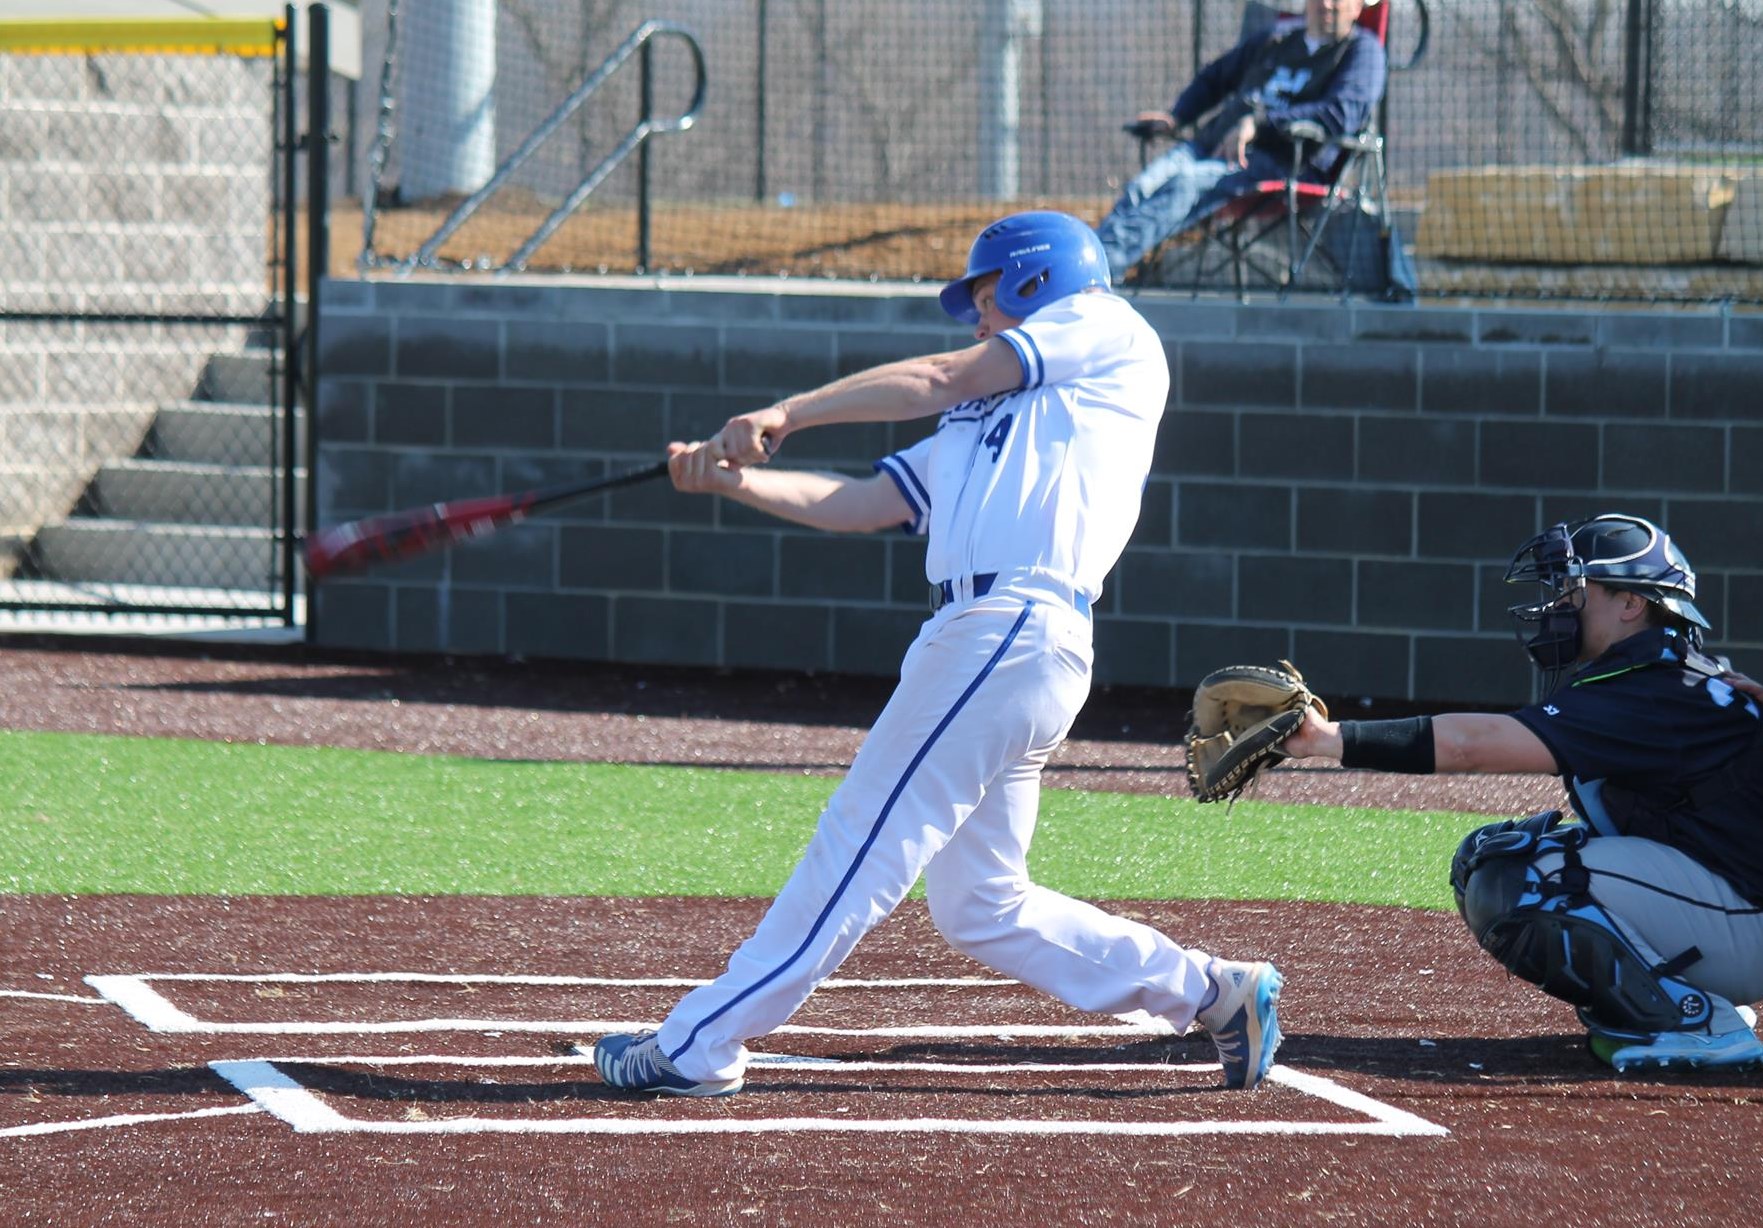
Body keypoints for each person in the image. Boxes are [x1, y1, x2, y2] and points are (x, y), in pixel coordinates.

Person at [592, 210, 1285, 1097]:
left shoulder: (1103, 327)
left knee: (861, 836)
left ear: (1037, 281)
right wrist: (735, 480)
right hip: (992, 638)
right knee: (981, 905)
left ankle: (698, 1043)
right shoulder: (991, 413)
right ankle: (1212, 991)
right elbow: (865, 501)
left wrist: (785, 413)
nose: (977, 316)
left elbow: (933, 376)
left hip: (1010, 625)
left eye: (989, 296)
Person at [1280, 513, 1763, 1073]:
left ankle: (1699, 1023)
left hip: (1744, 922)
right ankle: (1689, 1003)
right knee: (1492, 859)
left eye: (1576, 589)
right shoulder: (1663, 674)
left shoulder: (1654, 685)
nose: (1560, 604)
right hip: (1733, 910)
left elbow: (1472, 746)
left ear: (1632, 604)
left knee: (1522, 876)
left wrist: (1323, 739)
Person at [1095, 0, 1388, 282]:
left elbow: (1341, 113)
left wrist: (1259, 125)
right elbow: (1215, 76)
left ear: (1358, 6)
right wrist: (1178, 116)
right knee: (1142, 187)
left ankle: (1093, 279)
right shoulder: (1276, 40)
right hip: (1209, 146)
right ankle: (1086, 266)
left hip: (1279, 163)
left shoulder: (1362, 52)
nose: (1327, 4)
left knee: (1185, 184)